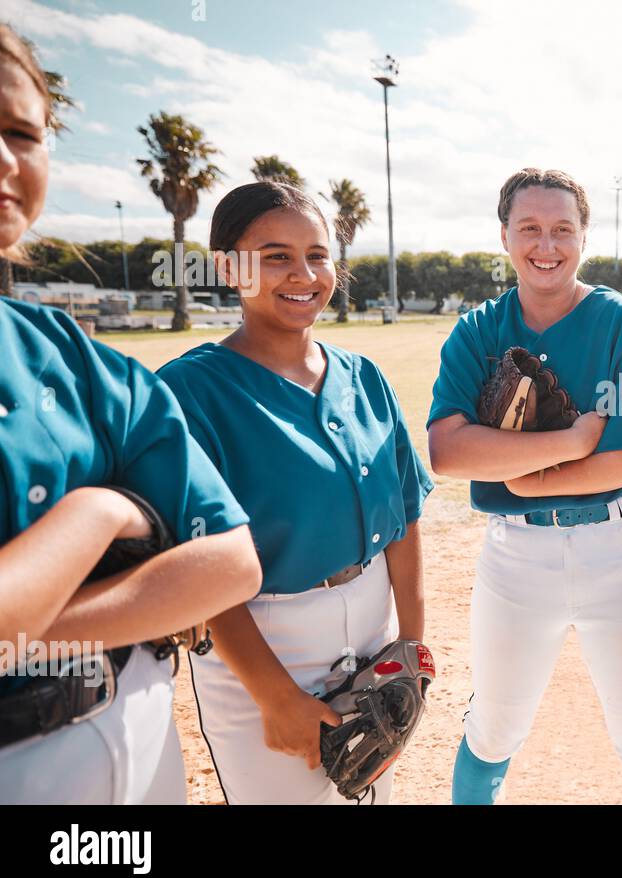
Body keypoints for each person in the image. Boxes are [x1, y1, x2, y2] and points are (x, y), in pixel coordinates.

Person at [0, 25, 261, 804]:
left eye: (20, 132)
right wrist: (98, 511)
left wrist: (26, 627)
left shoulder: (71, 353)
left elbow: (230, 563)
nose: (5, 160)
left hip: (140, 742)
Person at [157, 181, 434, 804]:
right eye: (275, 255)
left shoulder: (364, 378)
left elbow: (406, 520)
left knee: (372, 800)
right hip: (264, 647)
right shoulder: (188, 391)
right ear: (229, 267)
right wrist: (274, 697)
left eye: (317, 254)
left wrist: (411, 646)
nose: (303, 273)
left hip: (374, 636)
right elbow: (198, 567)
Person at [428, 168, 622, 805]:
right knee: (493, 727)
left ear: (583, 238)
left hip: (621, 548)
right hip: (516, 556)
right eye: (531, 229)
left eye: (563, 229)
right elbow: (447, 450)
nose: (547, 244)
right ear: (506, 237)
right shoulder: (478, 329)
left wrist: (515, 470)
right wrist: (568, 445)